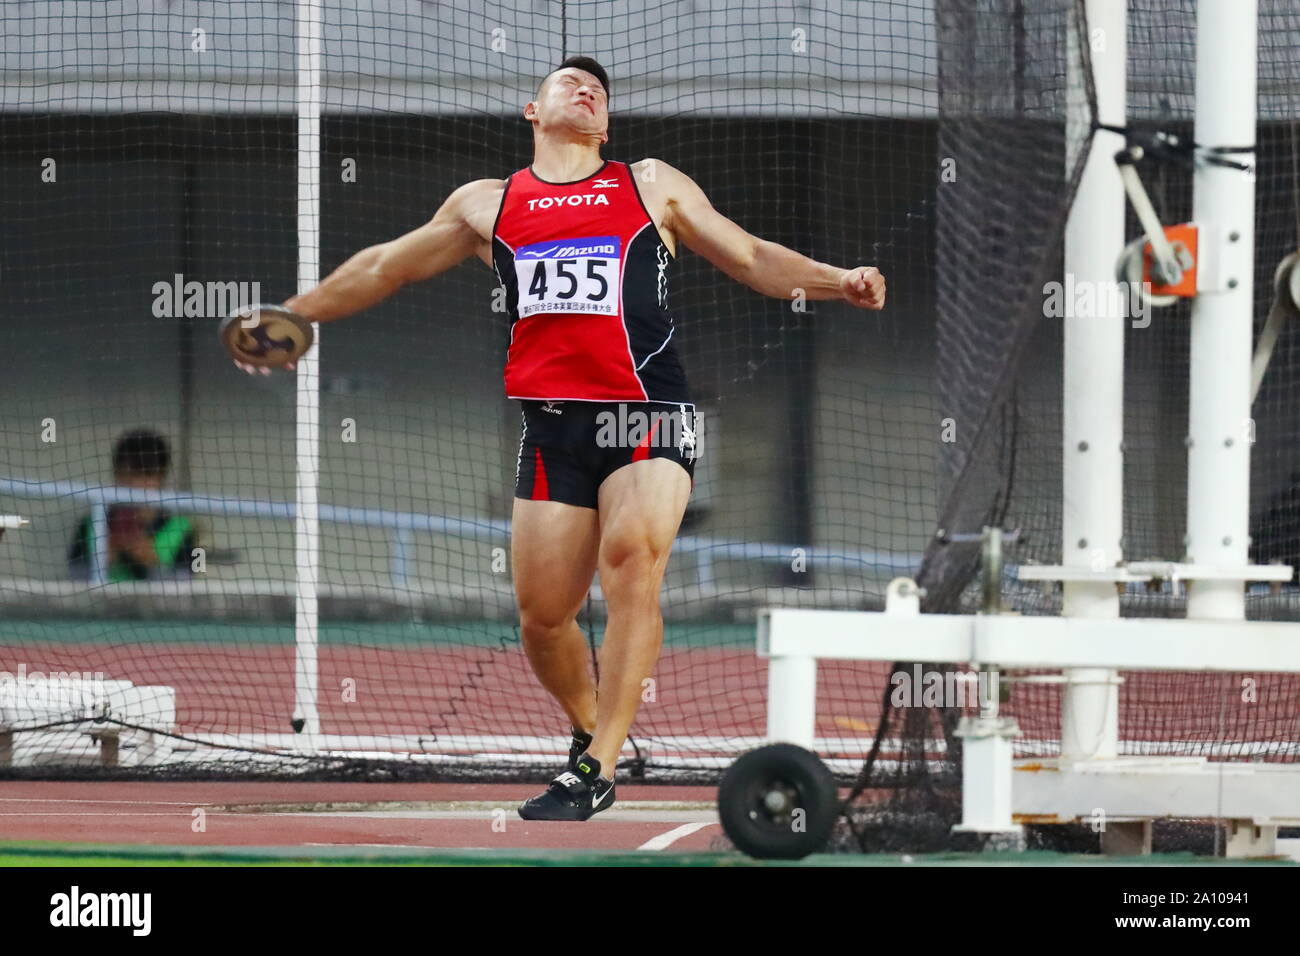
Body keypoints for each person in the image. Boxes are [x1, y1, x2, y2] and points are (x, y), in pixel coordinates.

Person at [237, 56, 886, 819]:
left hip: (648, 412)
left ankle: (599, 768)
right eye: (569, 84)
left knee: (631, 562)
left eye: (599, 93)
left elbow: (748, 255)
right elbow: (385, 267)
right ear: (531, 110)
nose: (586, 91)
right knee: (544, 619)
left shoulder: (649, 184)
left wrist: (836, 279)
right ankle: (587, 729)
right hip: (551, 427)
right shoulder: (488, 203)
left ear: (605, 124)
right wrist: (296, 314)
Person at [69, 429, 197, 582]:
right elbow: (73, 582)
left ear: (162, 477)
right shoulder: (91, 524)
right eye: (129, 474)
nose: (137, 484)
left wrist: (151, 564)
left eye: (147, 475)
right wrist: (102, 562)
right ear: (116, 474)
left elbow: (186, 591)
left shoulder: (182, 530)